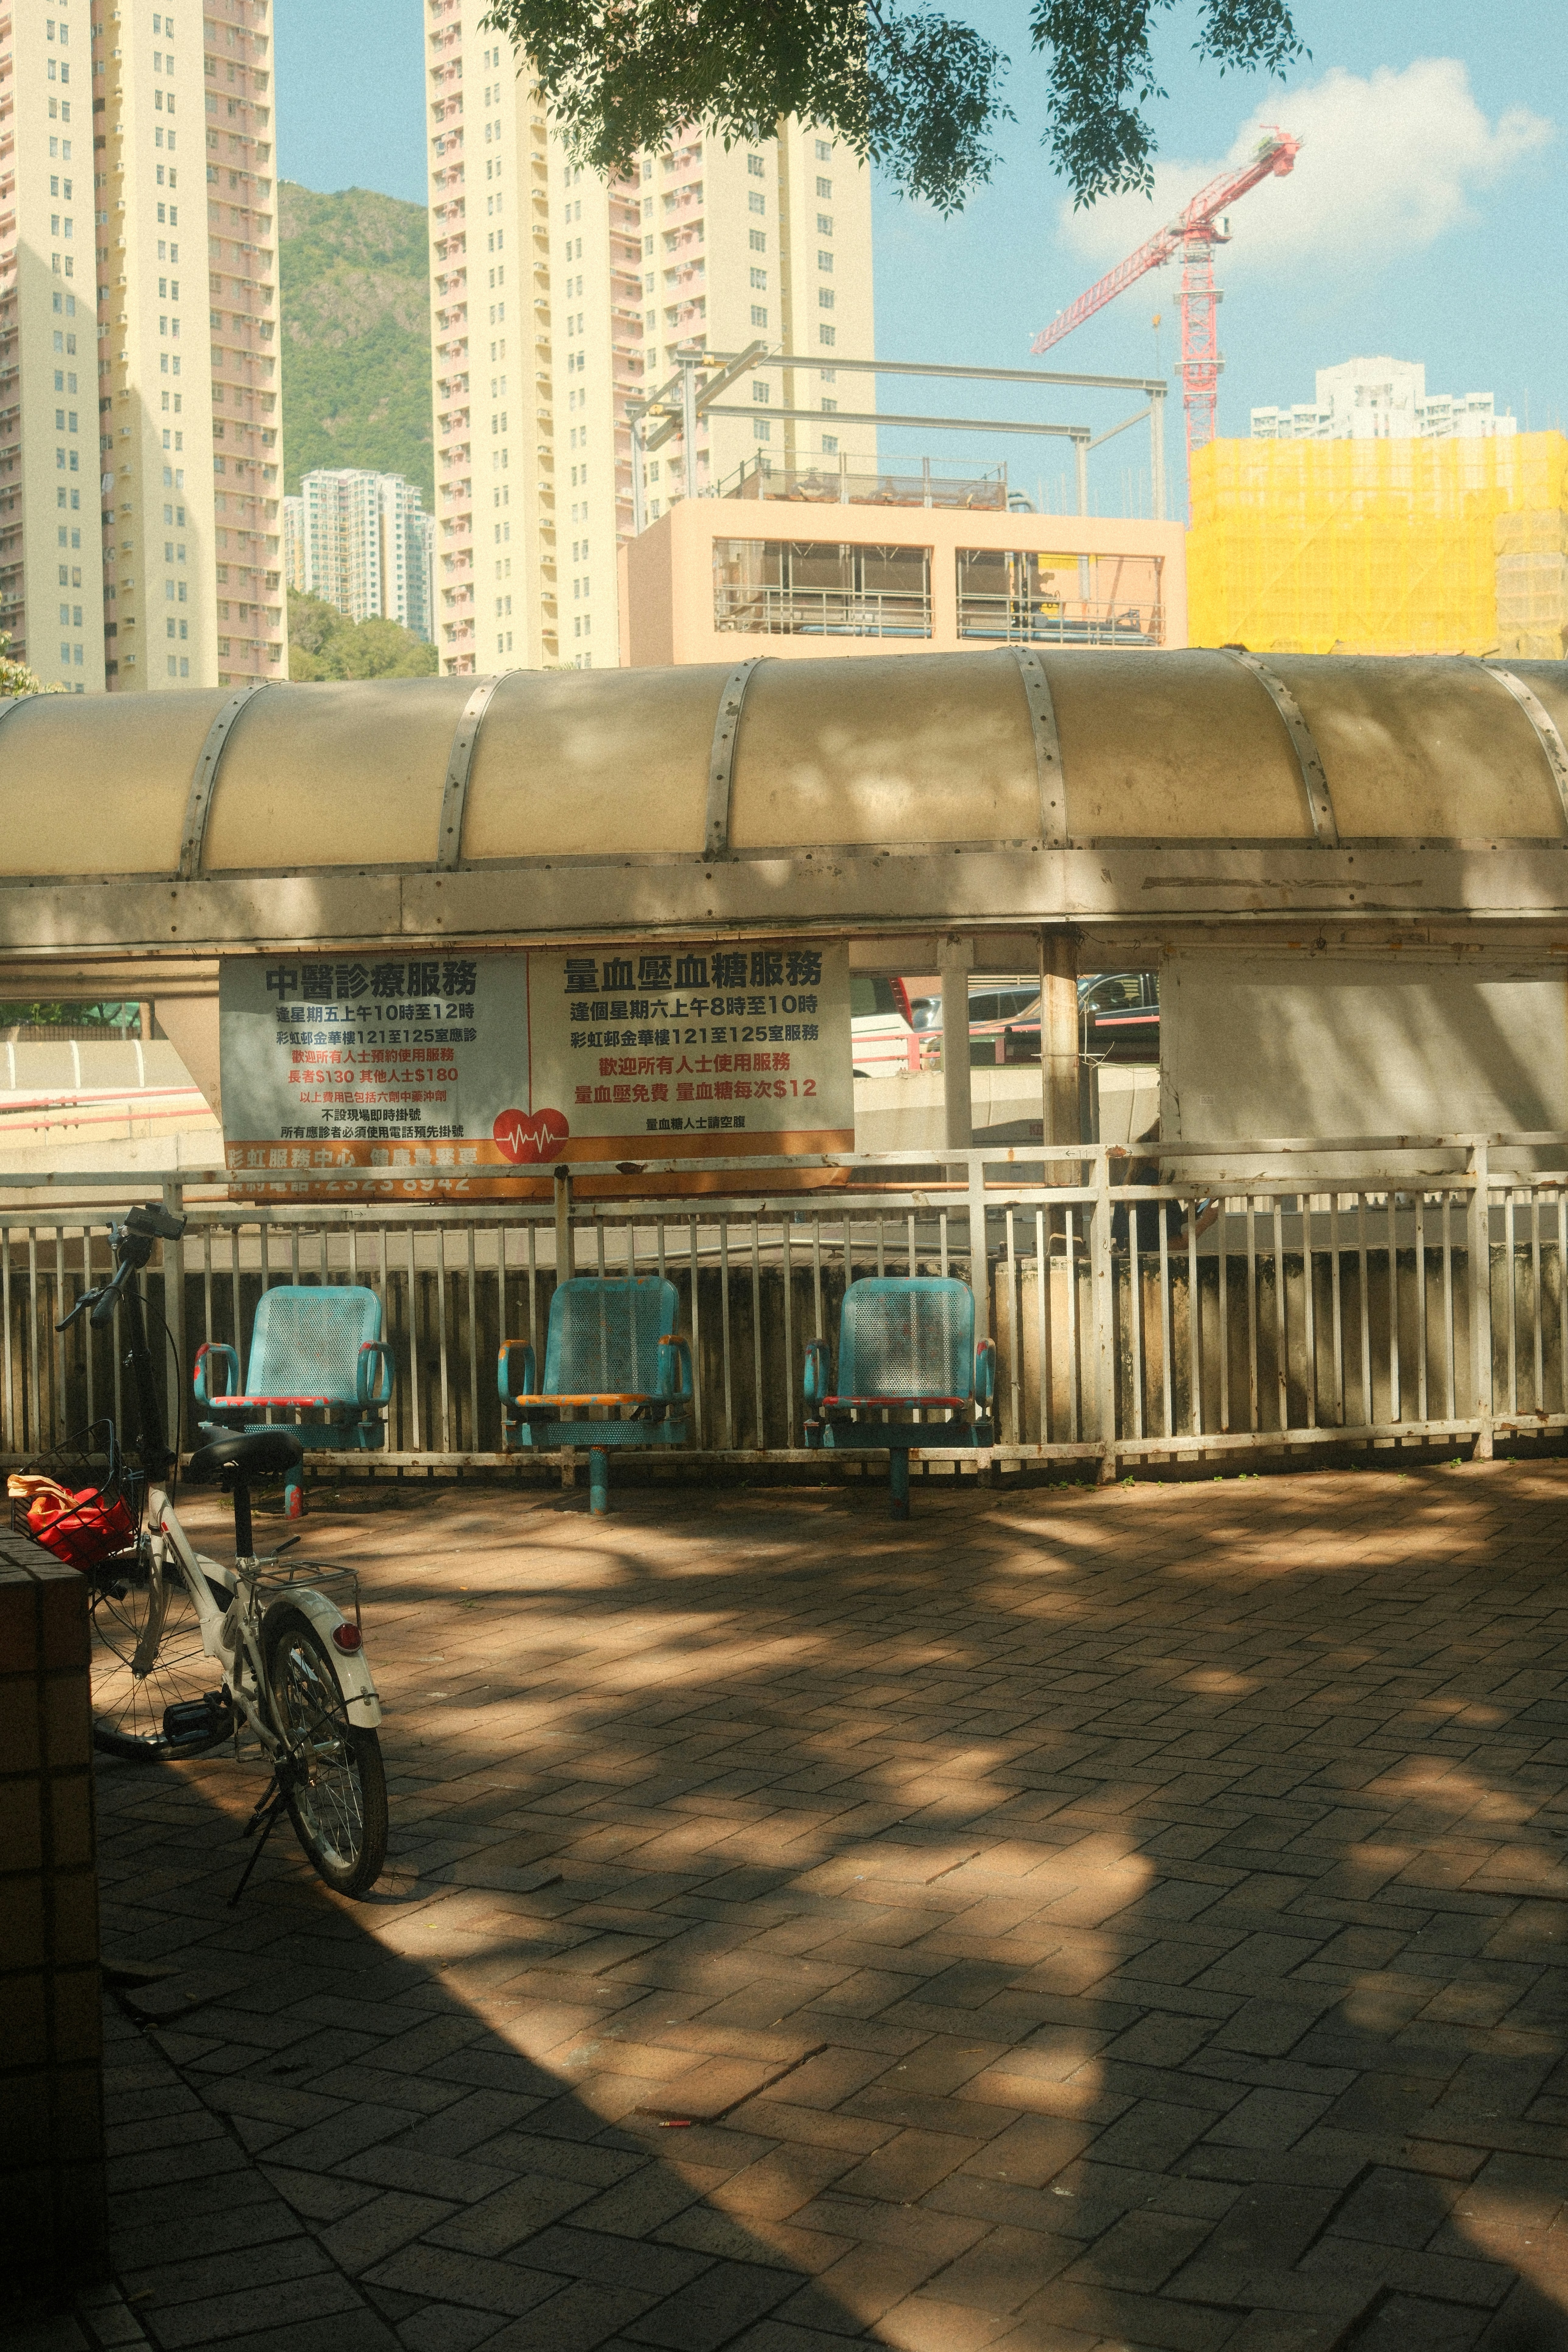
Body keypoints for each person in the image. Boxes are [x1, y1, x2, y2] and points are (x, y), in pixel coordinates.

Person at [1108, 1125, 1220, 1253]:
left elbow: (1150, 1224)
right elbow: (1174, 1244)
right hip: (1149, 1266)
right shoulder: (1158, 1185)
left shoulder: (1131, 1175)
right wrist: (1206, 1222)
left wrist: (1182, 1217)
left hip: (1124, 1261)